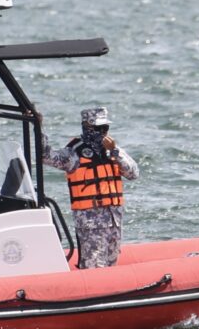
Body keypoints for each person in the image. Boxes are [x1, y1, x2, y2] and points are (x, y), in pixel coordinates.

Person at [46, 106, 139, 269]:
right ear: (87, 127)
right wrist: (39, 130)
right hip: (91, 223)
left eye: (105, 128)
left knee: (111, 265)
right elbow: (46, 157)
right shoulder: (73, 153)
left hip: (114, 221)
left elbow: (133, 173)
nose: (103, 132)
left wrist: (115, 152)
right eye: (98, 128)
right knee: (93, 267)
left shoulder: (112, 150)